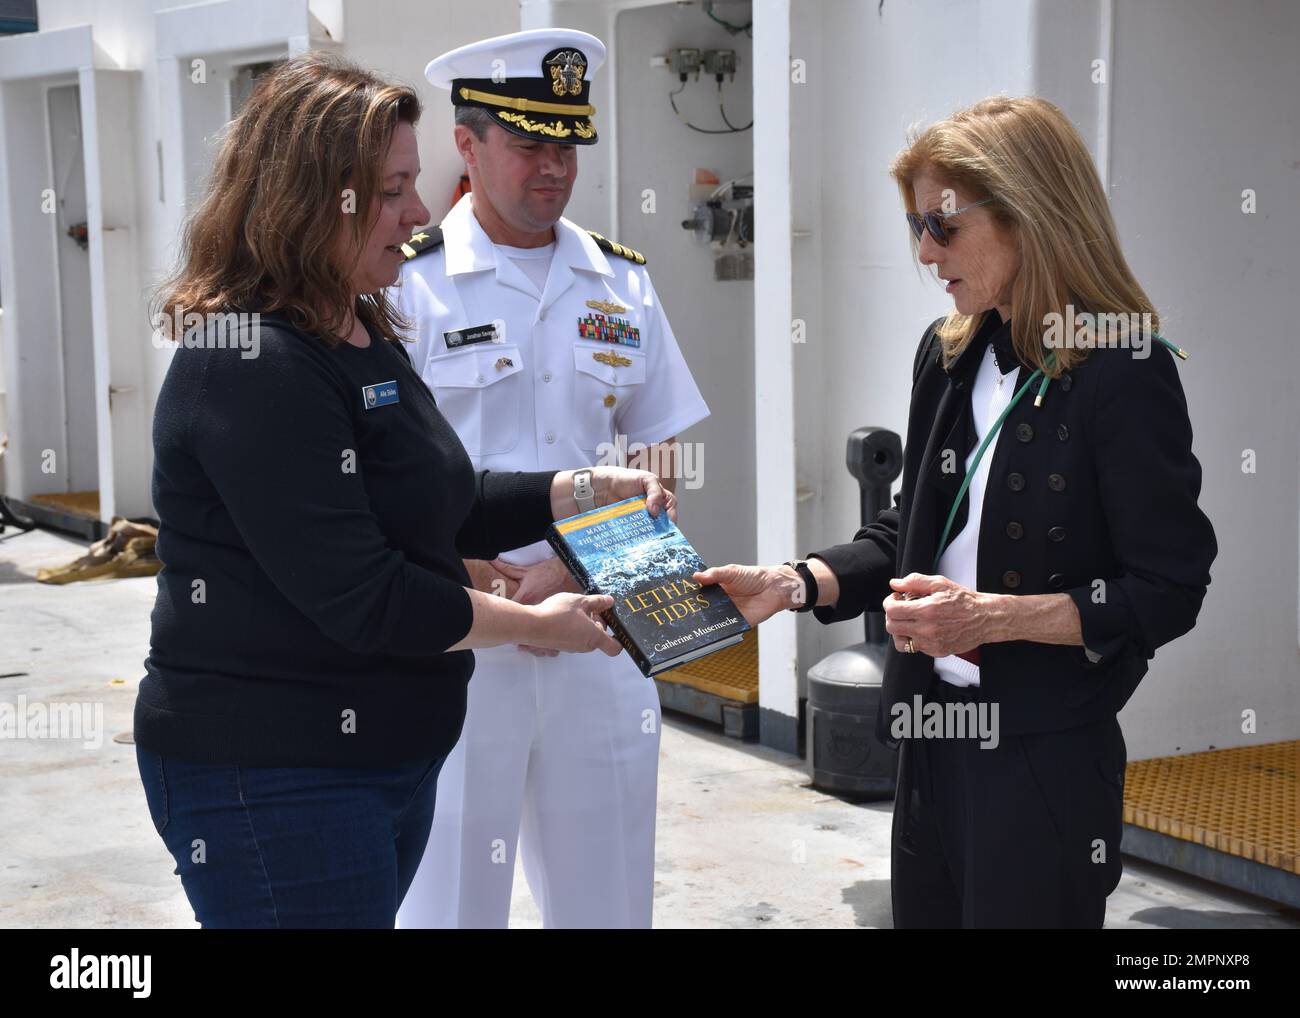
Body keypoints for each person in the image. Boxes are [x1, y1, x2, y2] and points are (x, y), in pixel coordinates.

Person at [134, 52, 672, 929]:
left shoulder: (354, 325)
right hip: (280, 770)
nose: (419, 210)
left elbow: (437, 497)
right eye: (390, 191)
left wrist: (573, 491)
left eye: (410, 184)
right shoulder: (253, 360)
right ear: (309, 199)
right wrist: (532, 619)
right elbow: (364, 594)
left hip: (382, 756)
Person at [696, 96, 1217, 929]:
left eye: (942, 225)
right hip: (932, 732)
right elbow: (919, 525)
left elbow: (1168, 586)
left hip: (1043, 757)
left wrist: (991, 618)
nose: (924, 253)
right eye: (913, 227)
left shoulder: (1125, 369)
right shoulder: (951, 351)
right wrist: (797, 584)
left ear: (1028, 213)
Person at [394, 29, 710, 929]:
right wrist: (495, 591)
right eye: (529, 143)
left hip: (604, 631)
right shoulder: (407, 286)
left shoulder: (620, 282)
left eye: (567, 144)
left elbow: (658, 456)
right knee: (447, 905)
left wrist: (575, 574)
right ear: (468, 142)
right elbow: (385, 485)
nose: (554, 168)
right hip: (459, 642)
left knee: (609, 903)